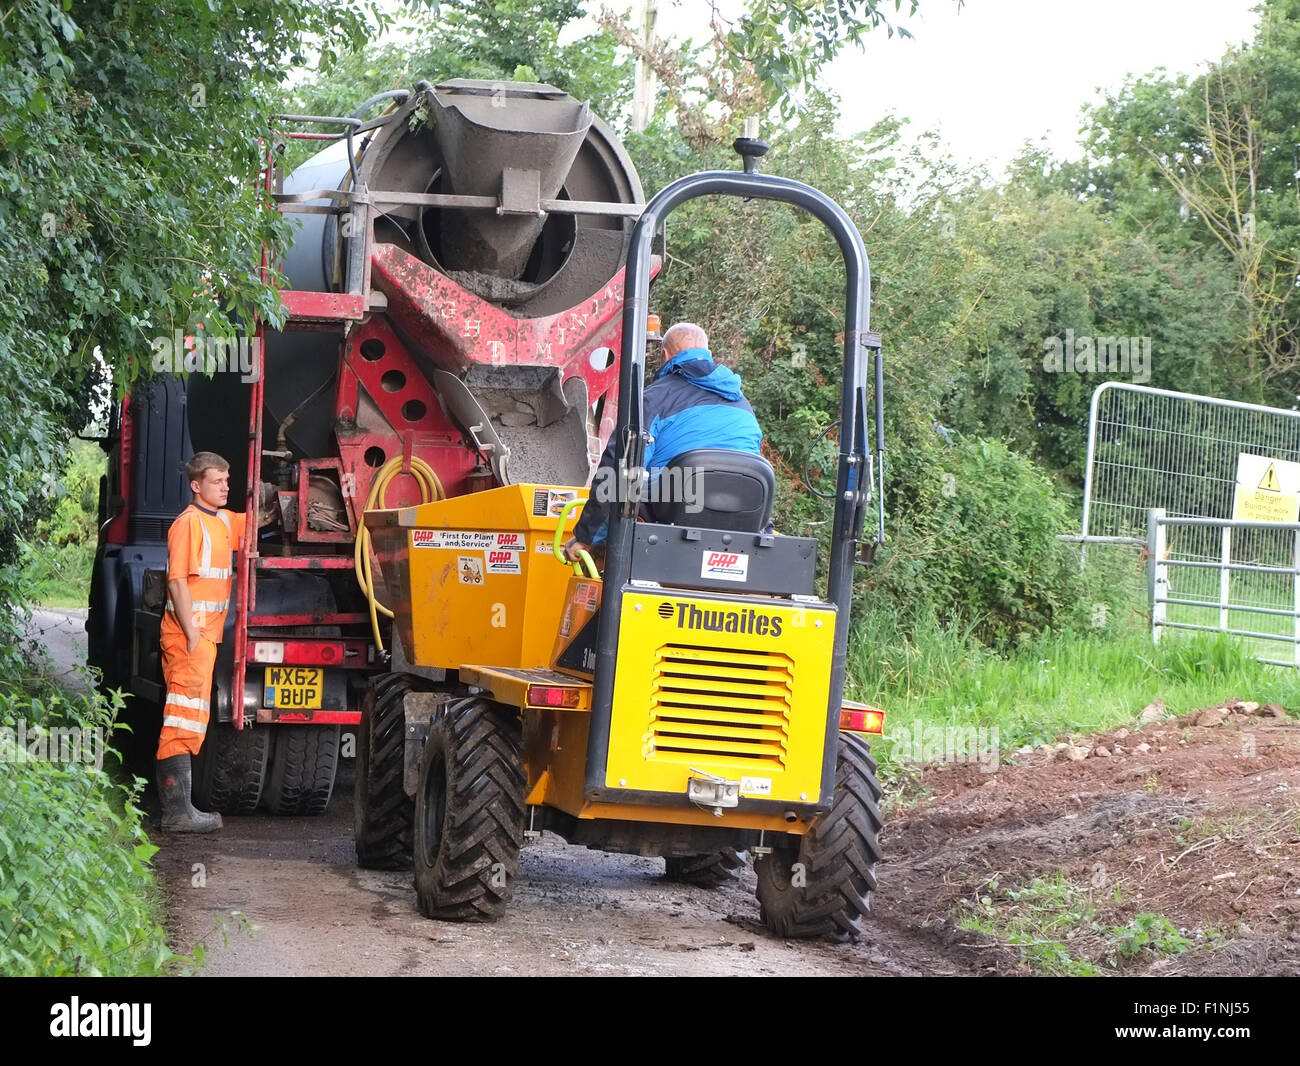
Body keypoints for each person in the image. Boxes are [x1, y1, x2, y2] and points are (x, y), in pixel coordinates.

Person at [565, 322, 762, 560]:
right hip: (740, 528)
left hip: (668, 528)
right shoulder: (744, 407)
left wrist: (587, 537)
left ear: (665, 354)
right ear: (708, 354)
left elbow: (621, 471)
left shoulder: (654, 399)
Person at [156, 451, 246, 833]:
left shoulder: (222, 520)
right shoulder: (188, 524)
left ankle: (182, 810)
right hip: (190, 637)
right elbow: (177, 580)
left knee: (193, 717)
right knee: (182, 720)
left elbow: (257, 523)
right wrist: (193, 634)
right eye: (217, 481)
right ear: (196, 486)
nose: (226, 487)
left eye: (227, 480)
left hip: (206, 637)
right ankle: (177, 814)